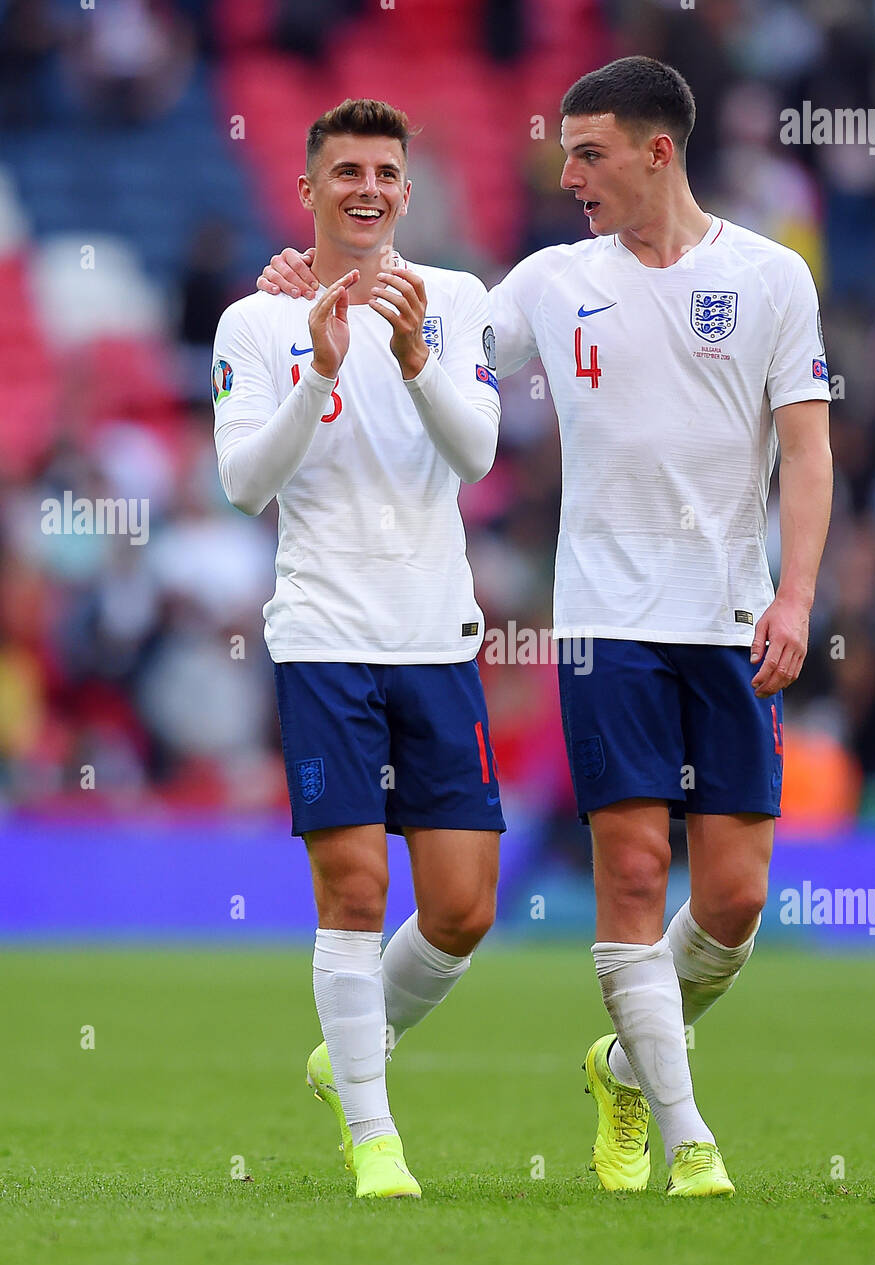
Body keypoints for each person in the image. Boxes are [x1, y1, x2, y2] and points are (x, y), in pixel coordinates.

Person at [258, 57, 833, 1198]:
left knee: (731, 899)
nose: (563, 171)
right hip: (605, 626)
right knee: (627, 869)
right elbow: (418, 334)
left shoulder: (769, 278)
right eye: (563, 150)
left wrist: (797, 595)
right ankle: (686, 1136)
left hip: (730, 619)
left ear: (656, 152)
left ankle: (624, 1061)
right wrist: (309, 283)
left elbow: (807, 449)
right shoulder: (550, 280)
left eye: (586, 152)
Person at [215, 98, 504, 1200]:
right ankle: (376, 1139)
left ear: (407, 189)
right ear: (309, 189)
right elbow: (245, 485)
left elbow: (476, 454)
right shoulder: (257, 322)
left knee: (465, 906)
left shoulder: (459, 299)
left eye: (385, 169)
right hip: (324, 635)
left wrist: (416, 350)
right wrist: (321, 368)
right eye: (345, 171)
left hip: (436, 633)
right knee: (350, 884)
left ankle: (349, 1056)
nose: (367, 187)